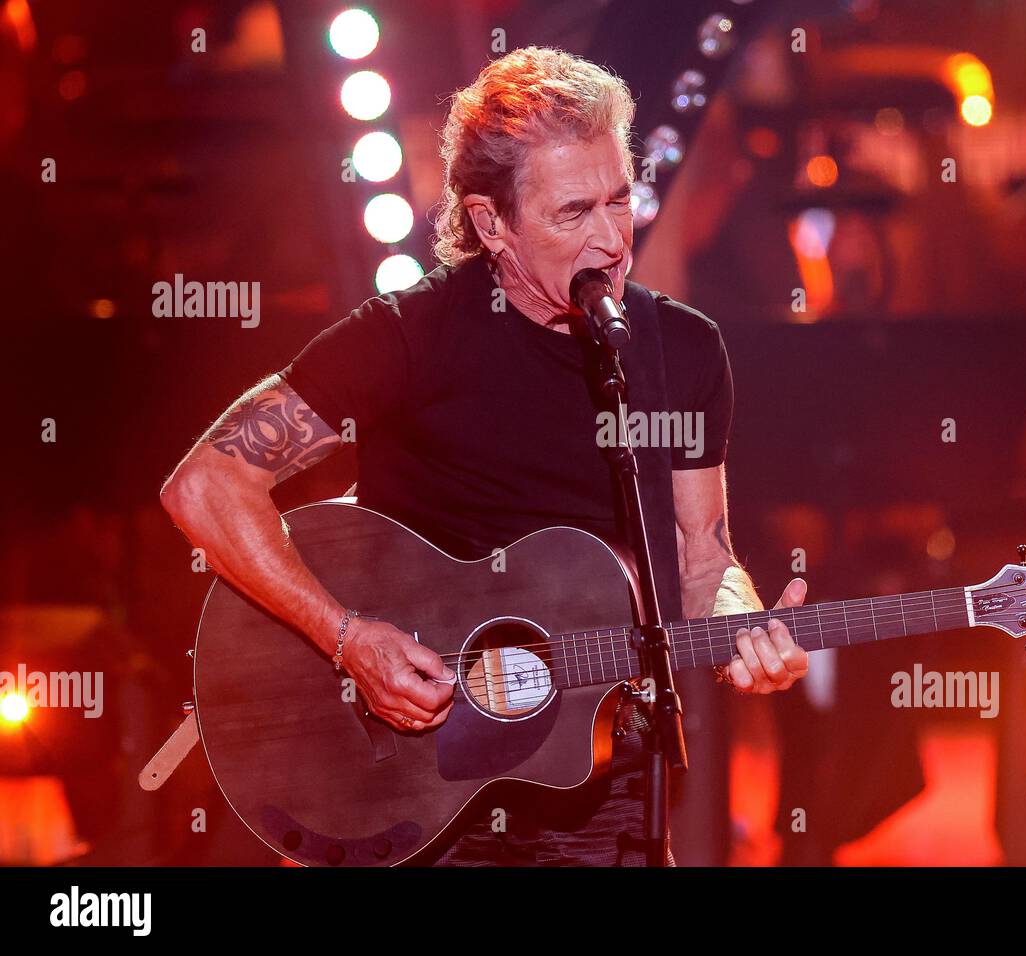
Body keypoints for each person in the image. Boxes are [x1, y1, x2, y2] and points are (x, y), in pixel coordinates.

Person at [160, 46, 809, 866]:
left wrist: (740, 622)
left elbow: (701, 553)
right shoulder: (411, 333)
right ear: (490, 222)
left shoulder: (683, 349)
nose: (611, 238)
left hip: (602, 774)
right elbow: (207, 485)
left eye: (621, 200)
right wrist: (348, 636)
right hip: (410, 780)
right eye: (573, 212)